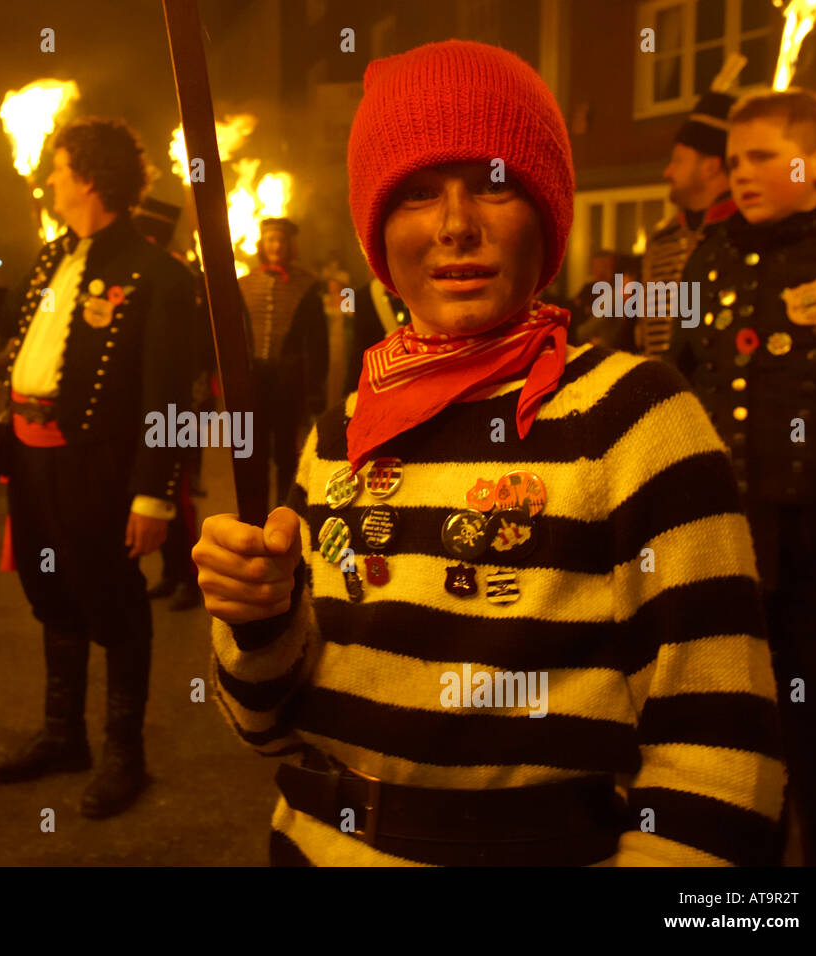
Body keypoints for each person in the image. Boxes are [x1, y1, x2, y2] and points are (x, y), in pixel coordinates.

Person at [194, 40, 783, 867]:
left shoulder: (634, 417)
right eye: (417, 193)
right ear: (377, 230)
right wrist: (259, 623)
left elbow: (721, 751)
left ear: (544, 212)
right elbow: (264, 726)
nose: (456, 225)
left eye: (496, 184)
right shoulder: (340, 433)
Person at [0, 117, 193, 817]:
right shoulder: (54, 255)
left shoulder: (156, 275)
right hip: (31, 462)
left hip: (97, 466)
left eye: (58, 169)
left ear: (89, 177)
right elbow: (13, 314)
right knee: (50, 592)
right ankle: (64, 736)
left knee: (113, 603)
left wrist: (153, 496)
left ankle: (126, 754)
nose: (49, 180)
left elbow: (167, 398)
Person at [671, 88, 816, 865]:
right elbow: (682, 376)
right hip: (736, 536)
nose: (740, 175)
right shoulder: (712, 255)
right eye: (735, 160)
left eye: (764, 158)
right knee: (744, 730)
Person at [134, 196, 204, 612]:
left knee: (174, 492)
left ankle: (189, 578)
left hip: (180, 402)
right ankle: (169, 570)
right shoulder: (141, 274)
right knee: (152, 487)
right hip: (146, 399)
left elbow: (196, 345)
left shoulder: (179, 276)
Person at [638, 88, 738, 356]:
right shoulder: (662, 240)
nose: (667, 172)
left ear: (711, 166)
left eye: (677, 161)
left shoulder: (746, 234)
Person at [238, 217, 328, 511]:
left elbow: (317, 343)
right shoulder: (244, 284)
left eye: (281, 240)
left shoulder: (307, 286)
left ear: (289, 246)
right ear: (262, 245)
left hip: (289, 384)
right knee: (253, 453)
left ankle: (285, 517)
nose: (276, 246)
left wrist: (314, 392)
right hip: (253, 383)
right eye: (270, 240)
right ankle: (255, 518)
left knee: (287, 456)